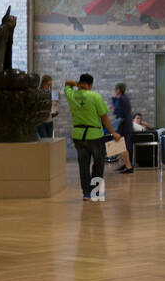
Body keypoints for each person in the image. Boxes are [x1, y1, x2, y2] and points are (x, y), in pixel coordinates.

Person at [64, 74, 115, 202]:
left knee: (83, 165)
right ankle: (95, 192)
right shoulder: (95, 96)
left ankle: (86, 193)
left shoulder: (71, 95)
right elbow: (104, 117)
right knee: (98, 164)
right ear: (90, 85)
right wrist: (113, 132)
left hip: (78, 136)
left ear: (80, 83)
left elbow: (67, 83)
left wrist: (77, 84)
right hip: (95, 136)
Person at [111, 82, 135, 174]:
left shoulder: (121, 99)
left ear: (118, 90)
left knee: (122, 146)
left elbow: (119, 112)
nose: (114, 91)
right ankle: (125, 164)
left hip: (123, 125)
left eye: (115, 89)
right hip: (125, 124)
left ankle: (128, 166)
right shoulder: (123, 98)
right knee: (120, 146)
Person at [37, 74, 59, 139]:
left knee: (49, 141)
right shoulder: (38, 93)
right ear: (43, 83)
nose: (49, 87)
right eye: (48, 85)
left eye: (50, 85)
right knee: (45, 141)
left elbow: (52, 109)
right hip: (41, 122)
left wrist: (54, 111)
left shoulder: (50, 93)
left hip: (49, 121)